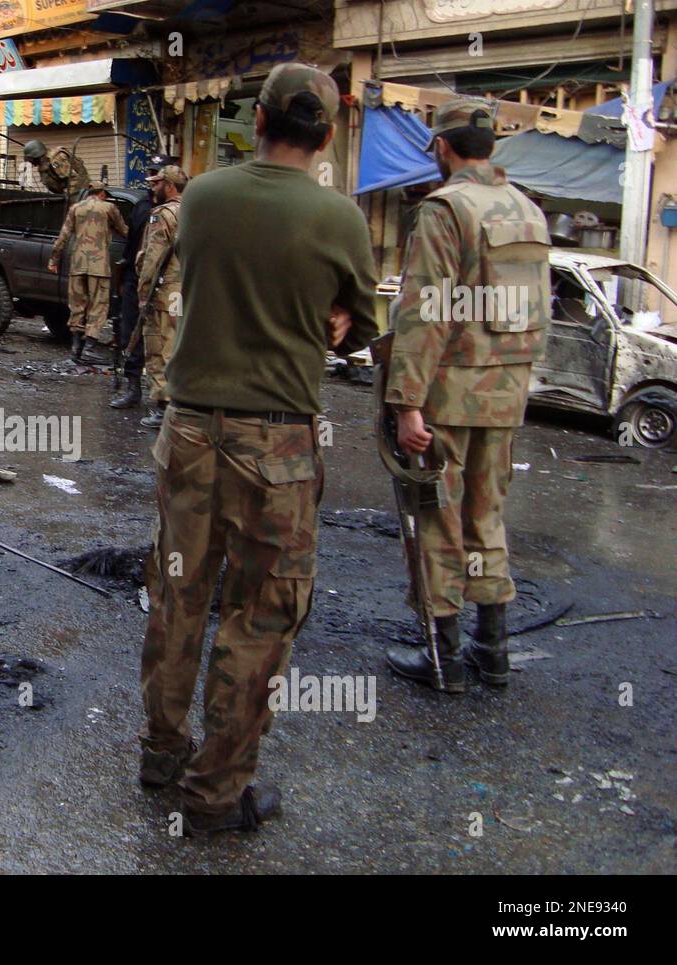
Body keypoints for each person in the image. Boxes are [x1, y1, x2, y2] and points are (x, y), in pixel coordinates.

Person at [138, 63, 378, 836]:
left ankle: (162, 752)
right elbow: (363, 325)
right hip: (275, 441)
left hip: (189, 429)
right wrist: (335, 314)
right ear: (329, 134)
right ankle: (214, 794)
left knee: (179, 594)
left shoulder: (202, 196)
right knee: (261, 614)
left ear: (257, 119)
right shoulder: (339, 218)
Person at [383, 99, 552, 693]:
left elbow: (425, 312)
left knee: (437, 516)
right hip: (506, 392)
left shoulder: (445, 209)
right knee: (487, 515)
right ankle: (493, 649)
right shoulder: (529, 211)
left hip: (450, 395)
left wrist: (406, 402)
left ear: (443, 147)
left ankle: (444, 657)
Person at [111, 159, 169, 411]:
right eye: (151, 176)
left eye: (158, 177)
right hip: (137, 278)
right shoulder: (142, 206)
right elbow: (131, 242)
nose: (153, 182)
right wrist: (124, 278)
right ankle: (133, 388)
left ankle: (163, 399)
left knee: (164, 339)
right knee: (131, 334)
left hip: (167, 280)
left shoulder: (176, 209)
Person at [49, 181, 126, 365]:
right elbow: (125, 231)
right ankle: (90, 348)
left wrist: (54, 260)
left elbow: (63, 236)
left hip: (78, 263)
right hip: (98, 265)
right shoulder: (109, 208)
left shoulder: (76, 208)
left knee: (77, 306)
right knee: (98, 307)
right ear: (102, 194)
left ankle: (75, 351)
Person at [134, 165, 188, 430]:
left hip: (165, 292)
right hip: (188, 293)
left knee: (157, 348)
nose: (151, 188)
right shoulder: (196, 213)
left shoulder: (162, 215)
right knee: (178, 349)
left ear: (168, 185)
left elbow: (151, 259)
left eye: (156, 183)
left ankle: (163, 406)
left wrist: (143, 293)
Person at [22, 140, 89, 200]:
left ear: (37, 156)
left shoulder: (56, 159)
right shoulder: (43, 164)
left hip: (79, 191)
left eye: (32, 159)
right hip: (65, 193)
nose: (32, 163)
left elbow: (73, 179)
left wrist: (67, 198)